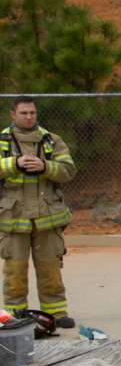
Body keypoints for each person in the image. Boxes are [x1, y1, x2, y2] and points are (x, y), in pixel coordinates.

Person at [0, 96, 77, 328]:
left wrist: (45, 166)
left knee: (50, 268)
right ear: (13, 114)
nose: (29, 117)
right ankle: (15, 314)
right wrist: (14, 164)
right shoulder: (3, 141)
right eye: (23, 113)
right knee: (14, 271)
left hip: (47, 218)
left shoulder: (51, 140)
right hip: (14, 219)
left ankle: (56, 313)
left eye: (32, 112)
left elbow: (68, 170)